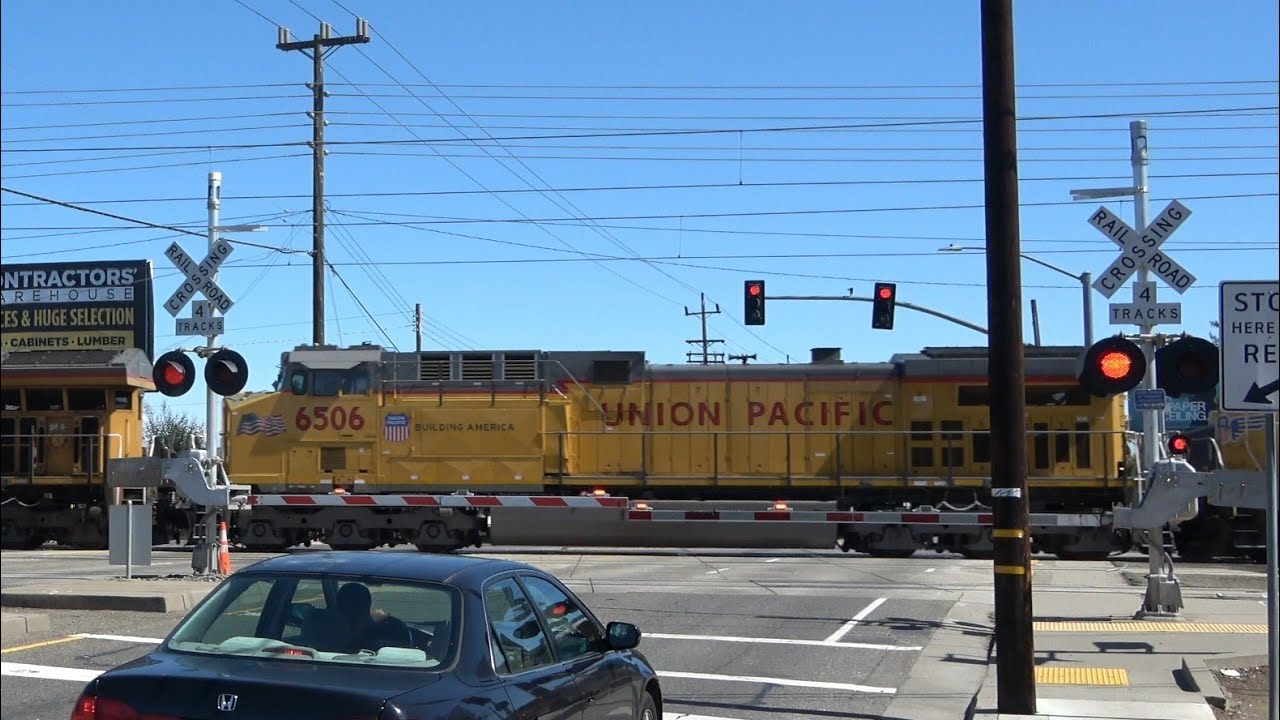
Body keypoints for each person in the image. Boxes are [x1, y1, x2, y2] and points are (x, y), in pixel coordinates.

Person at [335, 582, 413, 652]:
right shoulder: (331, 632)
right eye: (349, 608)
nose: (352, 613)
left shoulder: (392, 629)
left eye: (357, 607)